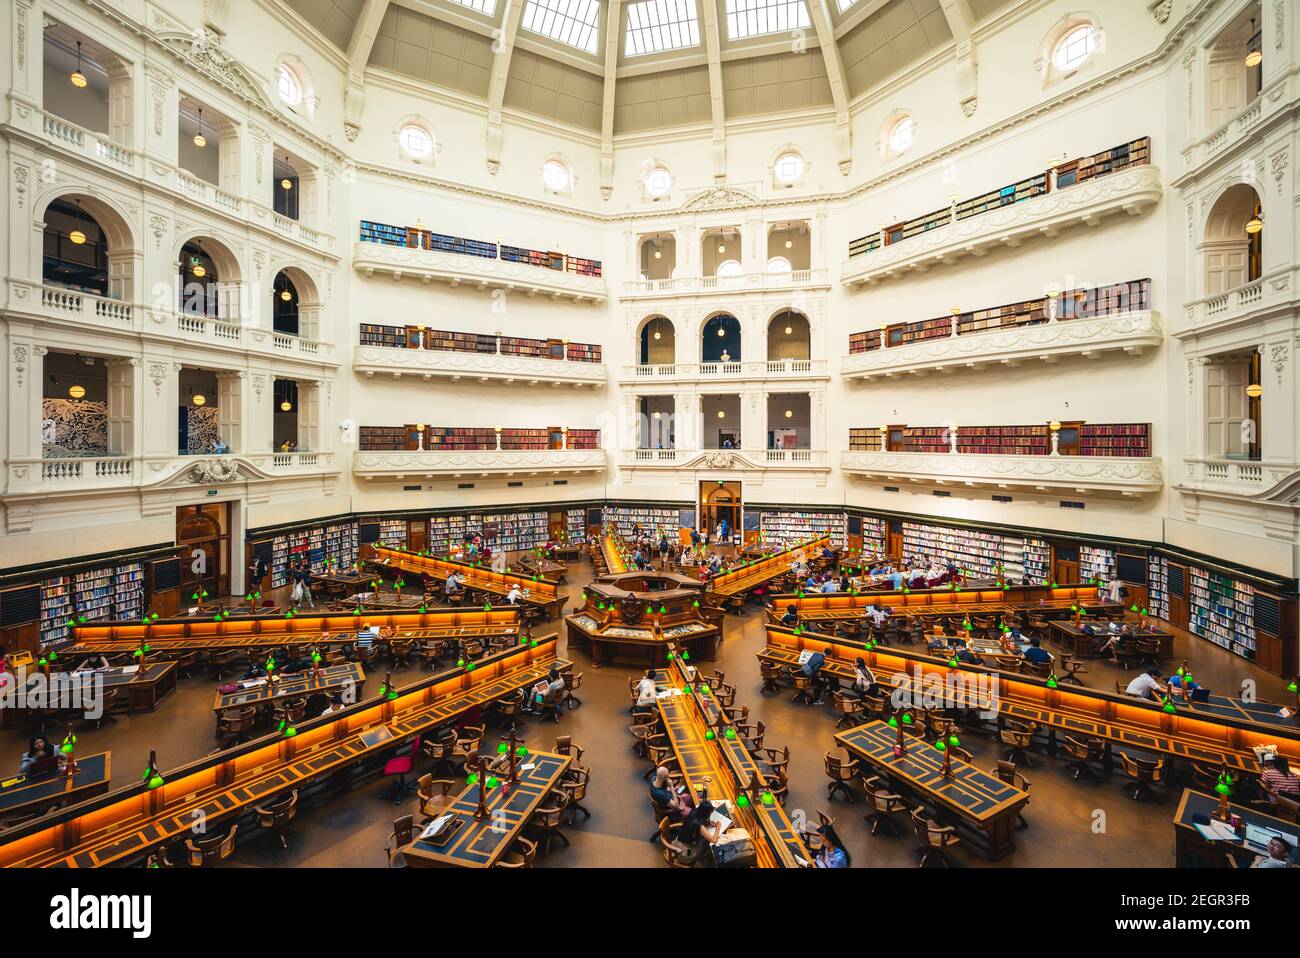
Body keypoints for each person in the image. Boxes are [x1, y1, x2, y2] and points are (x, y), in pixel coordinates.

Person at [674, 795, 722, 866]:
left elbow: (698, 820)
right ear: (706, 813)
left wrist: (708, 822)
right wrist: (718, 828)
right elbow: (714, 840)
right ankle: (707, 860)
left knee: (704, 839)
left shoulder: (693, 812)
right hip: (684, 853)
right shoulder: (700, 825)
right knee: (707, 843)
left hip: (679, 841)